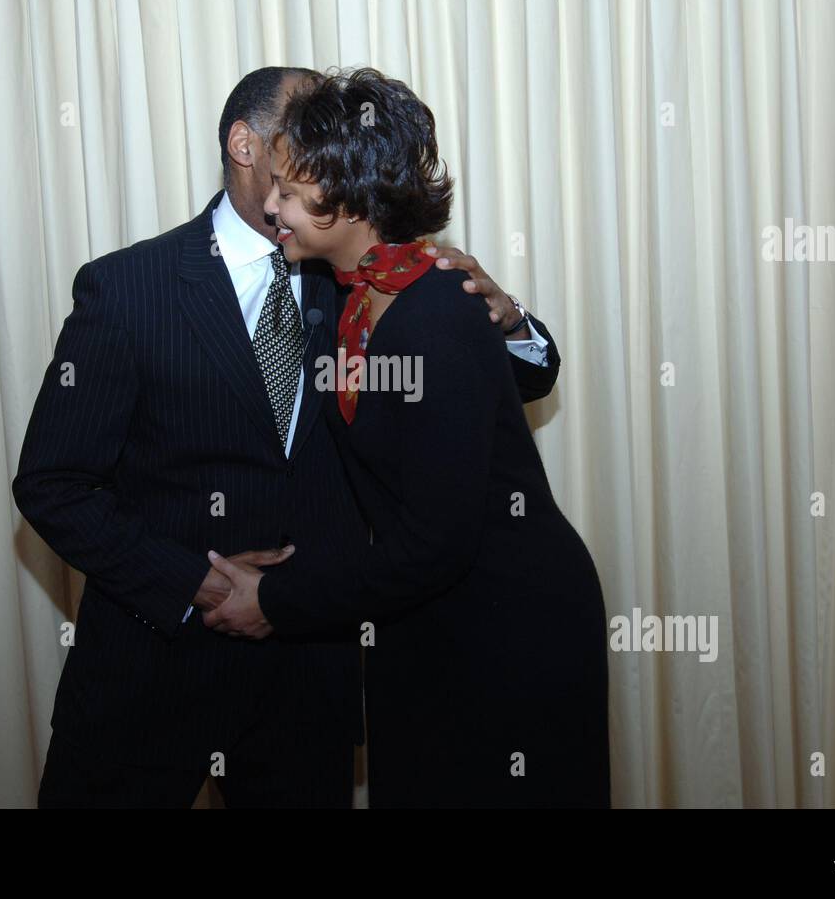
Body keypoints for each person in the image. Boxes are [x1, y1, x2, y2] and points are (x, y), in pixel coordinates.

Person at [13, 66, 563, 807]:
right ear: (246, 144)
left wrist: (505, 317)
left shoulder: (360, 270)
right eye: (303, 135)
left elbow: (494, 391)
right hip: (153, 670)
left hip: (309, 673)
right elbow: (52, 482)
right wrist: (192, 582)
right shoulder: (127, 289)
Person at [204, 68, 610, 808]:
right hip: (421, 622)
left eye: (289, 193)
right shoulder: (348, 293)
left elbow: (435, 541)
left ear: (347, 198)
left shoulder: (436, 310)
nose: (269, 204)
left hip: (508, 631)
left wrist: (279, 598)